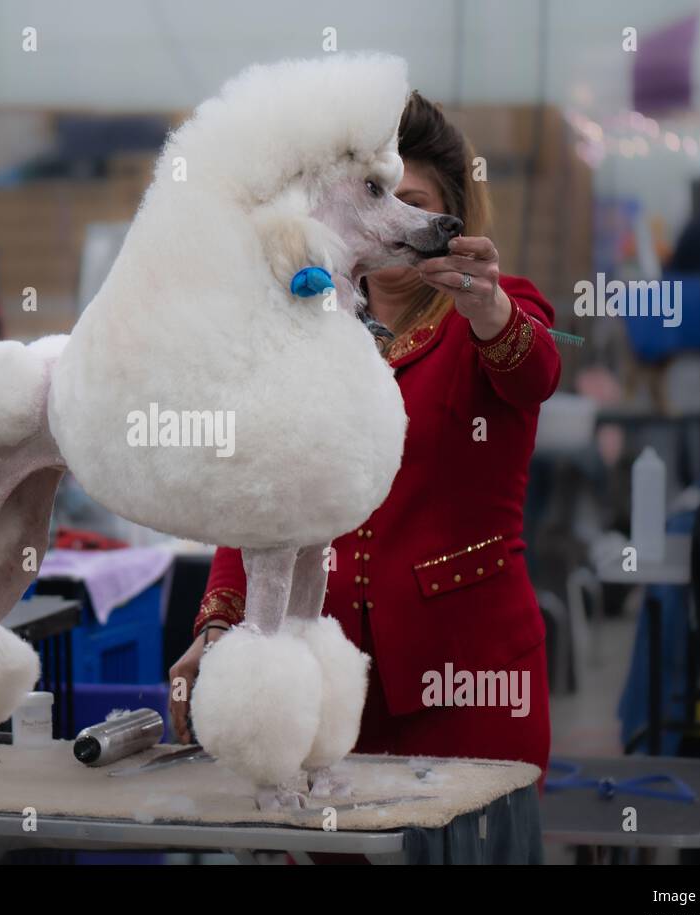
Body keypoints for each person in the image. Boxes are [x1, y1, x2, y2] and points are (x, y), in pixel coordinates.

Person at [170, 92, 561, 774]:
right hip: (321, 682)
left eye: (411, 199)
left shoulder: (493, 313)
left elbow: (535, 371)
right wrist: (219, 622)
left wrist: (490, 307)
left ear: (449, 217)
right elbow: (260, 495)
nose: (391, 221)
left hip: (470, 687)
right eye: (372, 198)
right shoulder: (302, 333)